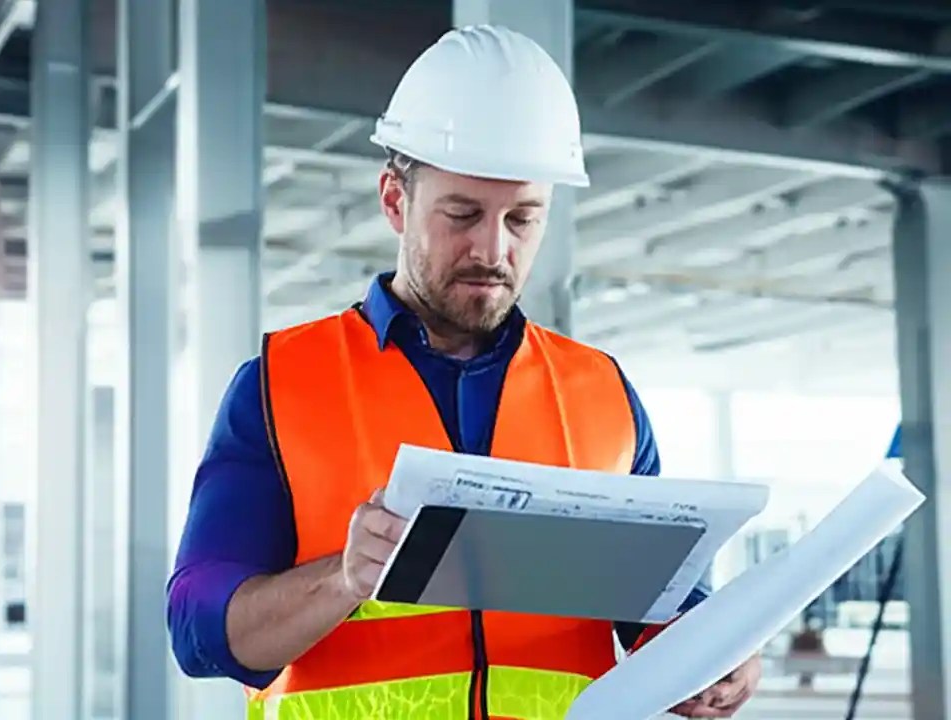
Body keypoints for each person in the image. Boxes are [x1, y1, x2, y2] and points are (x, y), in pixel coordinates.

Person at [167, 24, 761, 719]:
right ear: (395, 199)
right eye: (462, 214)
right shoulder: (280, 386)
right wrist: (345, 578)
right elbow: (197, 631)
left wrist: (713, 655)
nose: (492, 249)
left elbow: (661, 603)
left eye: (522, 219)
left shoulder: (601, 395)